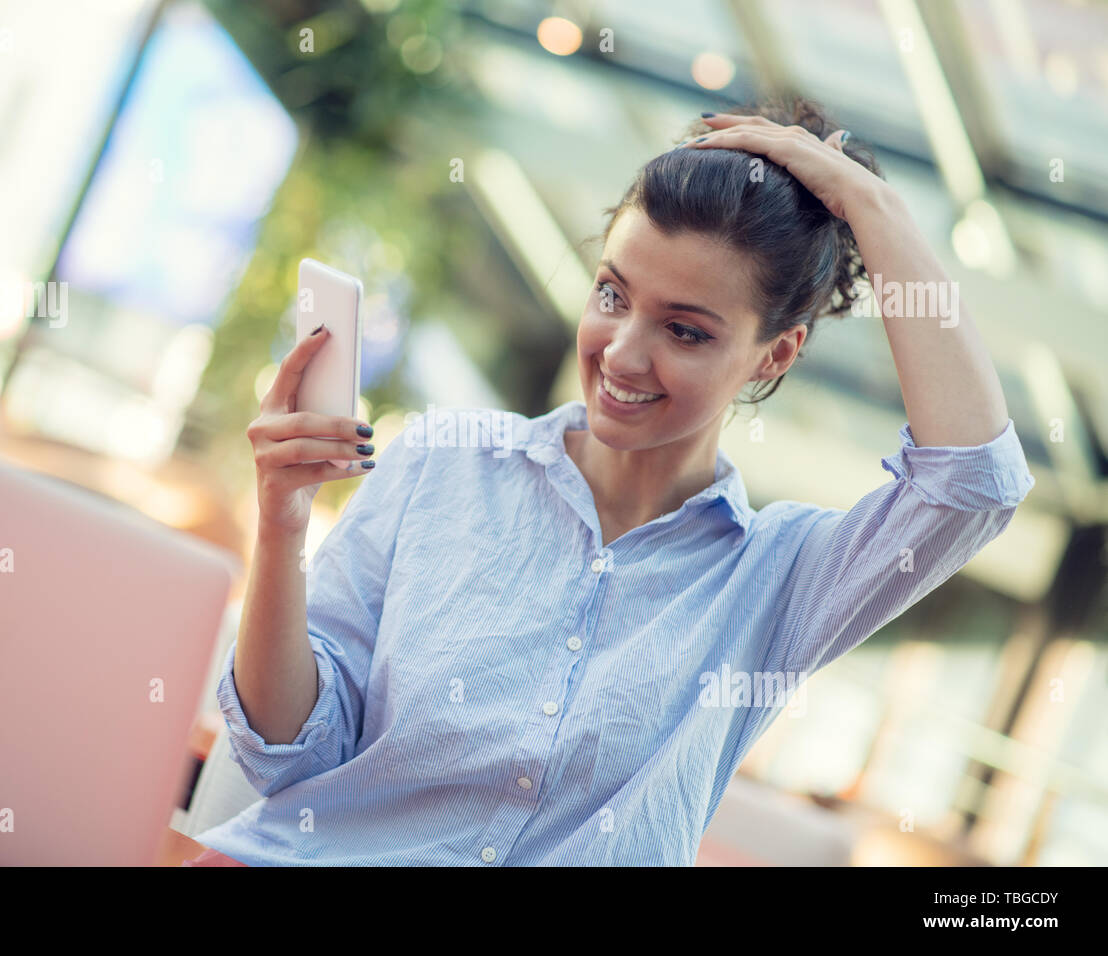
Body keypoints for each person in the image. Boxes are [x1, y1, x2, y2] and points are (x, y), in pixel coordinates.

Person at [192, 97, 1036, 866]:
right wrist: (282, 527)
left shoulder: (778, 582)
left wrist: (871, 205)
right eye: (611, 293)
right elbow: (290, 752)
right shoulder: (440, 462)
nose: (623, 354)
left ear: (774, 355)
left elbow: (977, 482)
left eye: (685, 330)